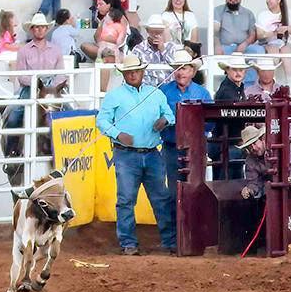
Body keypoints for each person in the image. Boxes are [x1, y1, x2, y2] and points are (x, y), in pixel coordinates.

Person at [96, 55, 176, 255]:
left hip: (151, 153)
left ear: (142, 72)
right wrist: (118, 134)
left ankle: (169, 241)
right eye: (129, 72)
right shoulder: (115, 95)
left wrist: (165, 120)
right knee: (126, 200)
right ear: (124, 74)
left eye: (136, 71)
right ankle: (128, 243)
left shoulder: (155, 93)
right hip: (126, 154)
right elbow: (102, 121)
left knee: (161, 198)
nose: (133, 75)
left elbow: (170, 114)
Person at [159, 50, 212, 226]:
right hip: (172, 147)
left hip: (195, 149)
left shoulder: (203, 94)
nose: (180, 72)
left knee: (195, 188)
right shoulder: (163, 92)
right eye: (177, 68)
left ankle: (193, 229)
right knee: (174, 191)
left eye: (184, 68)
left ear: (192, 71)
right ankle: (177, 231)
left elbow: (211, 123)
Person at [4, 13, 65, 161]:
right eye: (37, 27)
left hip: (52, 90)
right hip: (30, 90)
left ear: (46, 29)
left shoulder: (56, 50)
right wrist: (36, 84)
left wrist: (51, 88)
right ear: (32, 29)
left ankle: (68, 151)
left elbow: (61, 74)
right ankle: (11, 152)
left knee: (70, 111)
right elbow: (21, 76)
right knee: (13, 117)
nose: (40, 30)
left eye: (42, 27)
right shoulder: (24, 51)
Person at [212, 0, 265, 85]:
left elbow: (253, 34)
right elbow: (215, 31)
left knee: (258, 50)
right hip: (226, 47)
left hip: (244, 47)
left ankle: (249, 85)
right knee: (218, 53)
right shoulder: (217, 11)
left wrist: (245, 44)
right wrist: (217, 45)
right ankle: (228, 85)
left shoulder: (248, 13)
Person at [212, 53, 249, 179]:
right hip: (229, 142)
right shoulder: (227, 91)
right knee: (230, 177)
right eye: (234, 69)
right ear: (227, 70)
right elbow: (236, 117)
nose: (238, 73)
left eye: (241, 70)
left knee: (230, 175)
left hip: (230, 141)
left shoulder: (235, 88)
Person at [255, 0, 291, 81]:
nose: (267, 1)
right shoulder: (263, 15)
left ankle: (289, 84)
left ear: (279, 0)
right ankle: (272, 82)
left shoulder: (289, 13)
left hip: (285, 43)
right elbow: (259, 35)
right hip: (268, 43)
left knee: (286, 51)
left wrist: (286, 28)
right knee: (273, 50)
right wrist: (274, 33)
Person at [131, 14, 177, 86]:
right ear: (147, 31)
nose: (156, 35)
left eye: (159, 32)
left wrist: (163, 50)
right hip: (146, 87)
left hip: (168, 87)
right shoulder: (139, 49)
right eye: (153, 31)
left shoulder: (171, 47)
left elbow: (176, 67)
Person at [237, 126, 268, 199]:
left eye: (255, 143)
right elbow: (253, 182)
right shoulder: (250, 161)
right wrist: (249, 190)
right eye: (249, 146)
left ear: (261, 140)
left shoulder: (274, 150)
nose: (253, 148)